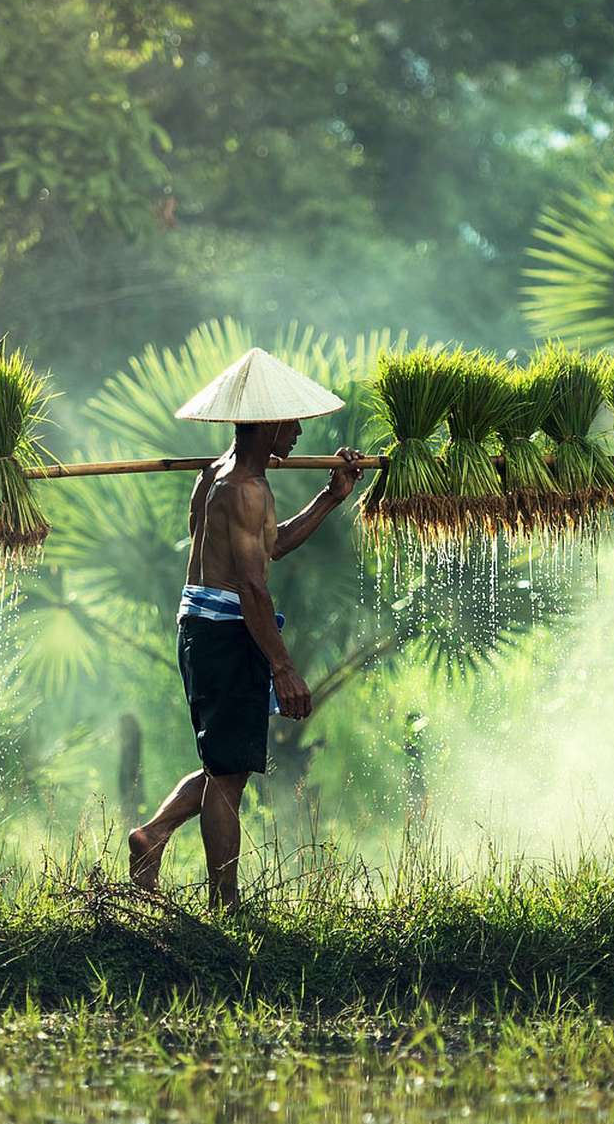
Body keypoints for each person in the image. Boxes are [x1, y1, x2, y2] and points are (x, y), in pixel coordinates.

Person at [126, 347, 364, 910]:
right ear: (267, 424)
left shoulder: (216, 475)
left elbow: (270, 546)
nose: (299, 432)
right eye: (291, 421)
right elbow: (253, 587)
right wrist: (283, 667)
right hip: (226, 631)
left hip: (201, 624)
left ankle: (152, 836)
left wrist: (331, 497)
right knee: (229, 776)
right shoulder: (246, 489)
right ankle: (225, 905)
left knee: (222, 765)